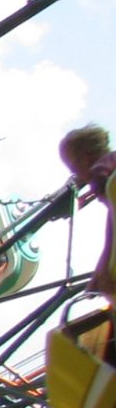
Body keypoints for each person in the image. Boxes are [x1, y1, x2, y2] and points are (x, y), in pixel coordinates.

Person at [63, 124, 116, 297]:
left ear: (84, 157)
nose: (77, 175)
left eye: (73, 167)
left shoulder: (101, 174)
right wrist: (102, 266)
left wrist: (104, 269)